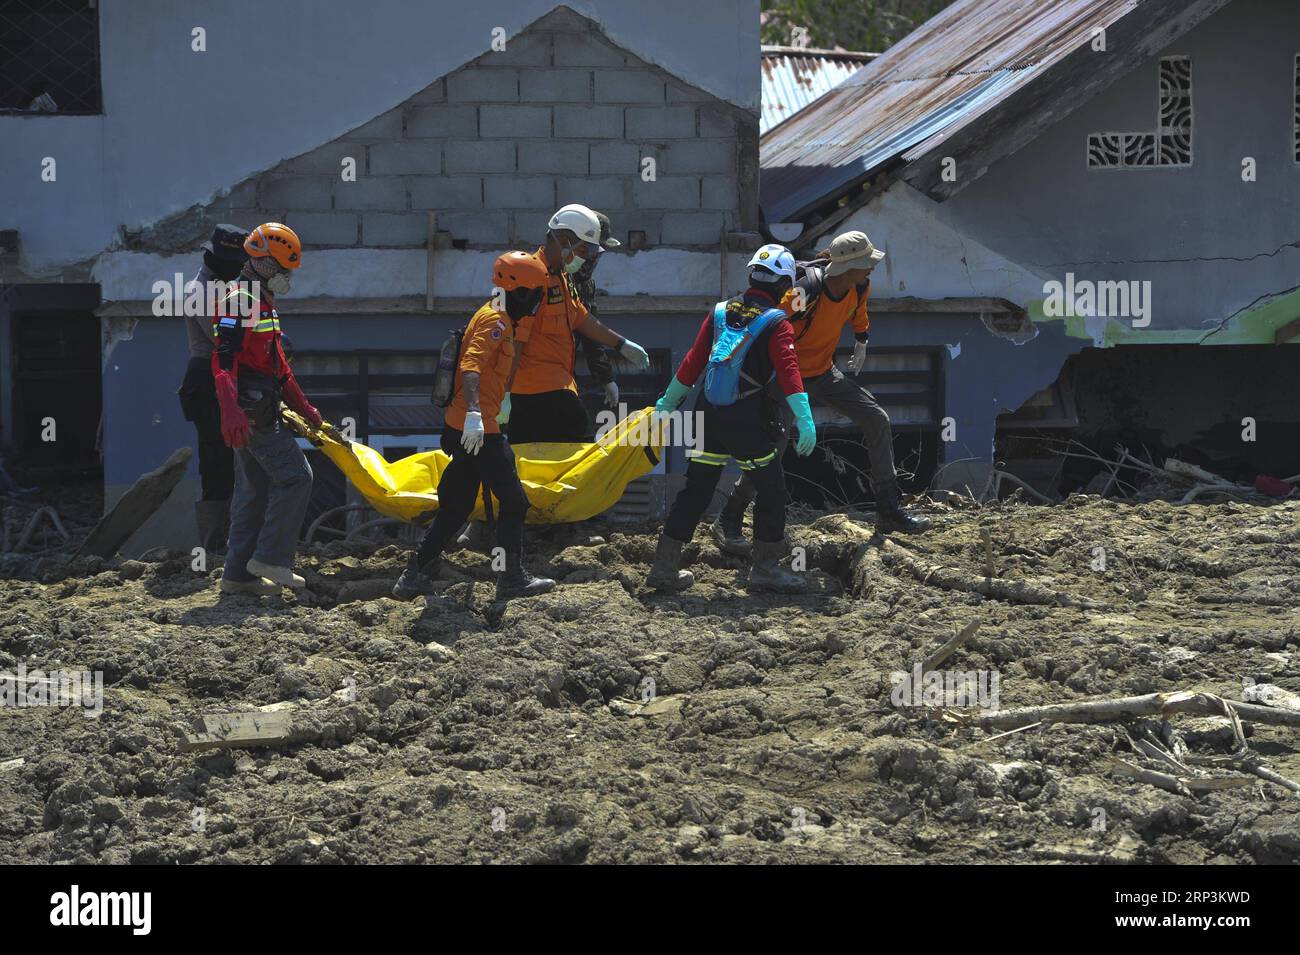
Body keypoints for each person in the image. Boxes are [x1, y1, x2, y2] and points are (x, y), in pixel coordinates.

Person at [712, 230, 930, 552]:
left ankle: (888, 510)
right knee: (773, 450)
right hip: (787, 382)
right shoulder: (806, 290)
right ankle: (729, 519)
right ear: (847, 266)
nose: (871, 269)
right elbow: (768, 320)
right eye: (866, 263)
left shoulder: (860, 286)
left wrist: (862, 339)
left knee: (877, 419)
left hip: (825, 373)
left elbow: (859, 314)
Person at [645, 244, 816, 594]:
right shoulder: (777, 322)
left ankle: (663, 569)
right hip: (745, 419)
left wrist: (667, 404)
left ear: (751, 275)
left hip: (706, 411)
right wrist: (805, 417)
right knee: (771, 489)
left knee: (696, 490)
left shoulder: (721, 311)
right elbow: (789, 372)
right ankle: (766, 569)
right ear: (784, 284)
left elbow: (693, 362)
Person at [394, 252, 557, 602]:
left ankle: (414, 574)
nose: (538, 301)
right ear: (519, 290)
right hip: (478, 428)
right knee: (514, 502)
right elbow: (471, 367)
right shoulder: (495, 320)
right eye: (536, 293)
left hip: (469, 426)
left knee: (456, 507)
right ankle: (510, 577)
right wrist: (474, 415)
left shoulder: (499, 316)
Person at [212, 222, 319, 595]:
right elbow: (223, 361)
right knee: (296, 477)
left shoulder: (261, 302)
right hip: (251, 412)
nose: (287, 277)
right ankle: (272, 559)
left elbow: (278, 368)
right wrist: (230, 410)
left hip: (259, 406)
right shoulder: (240, 300)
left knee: (253, 489)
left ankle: (238, 575)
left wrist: (305, 407)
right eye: (283, 269)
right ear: (263, 263)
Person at [500, 203, 651, 443]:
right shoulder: (532, 278)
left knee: (530, 466)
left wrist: (621, 344)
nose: (588, 259)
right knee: (581, 455)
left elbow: (581, 318)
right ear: (563, 240)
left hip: (551, 389)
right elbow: (515, 340)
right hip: (539, 393)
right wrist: (504, 392)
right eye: (585, 251)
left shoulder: (562, 278)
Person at [177, 224, 246, 553]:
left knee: (228, 459)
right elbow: (224, 342)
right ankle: (214, 546)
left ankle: (227, 543)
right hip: (208, 377)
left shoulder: (219, 286)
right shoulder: (204, 291)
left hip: (217, 374)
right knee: (216, 460)